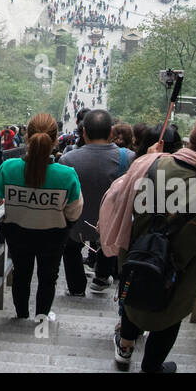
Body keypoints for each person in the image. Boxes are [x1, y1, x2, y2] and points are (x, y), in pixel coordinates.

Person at [101, 107, 196, 373]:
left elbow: (121, 197)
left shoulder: (152, 164)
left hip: (137, 257)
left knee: (132, 297)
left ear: (191, 136)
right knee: (168, 319)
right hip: (177, 273)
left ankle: (125, 346)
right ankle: (152, 367)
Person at [0, 113, 82, 324]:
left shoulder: (9, 168)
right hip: (54, 235)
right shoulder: (67, 174)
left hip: (18, 233)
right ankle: (41, 318)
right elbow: (74, 212)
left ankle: (21, 315)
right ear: (55, 139)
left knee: (21, 274)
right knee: (48, 277)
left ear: (27, 137)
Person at [58, 112, 134, 297]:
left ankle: (76, 287)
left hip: (77, 224)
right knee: (108, 240)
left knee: (71, 248)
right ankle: (101, 278)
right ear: (111, 132)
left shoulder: (68, 160)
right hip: (111, 225)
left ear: (84, 132)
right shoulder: (129, 158)